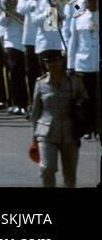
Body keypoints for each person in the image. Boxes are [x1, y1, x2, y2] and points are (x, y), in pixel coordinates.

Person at [29, 50, 86, 188]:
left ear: (62, 61)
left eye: (56, 60)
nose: (53, 64)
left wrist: (80, 105)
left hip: (70, 131)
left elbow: (85, 100)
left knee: (70, 173)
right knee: (47, 168)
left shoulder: (74, 81)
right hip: (46, 131)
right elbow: (36, 111)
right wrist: (35, 135)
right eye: (48, 62)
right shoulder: (41, 83)